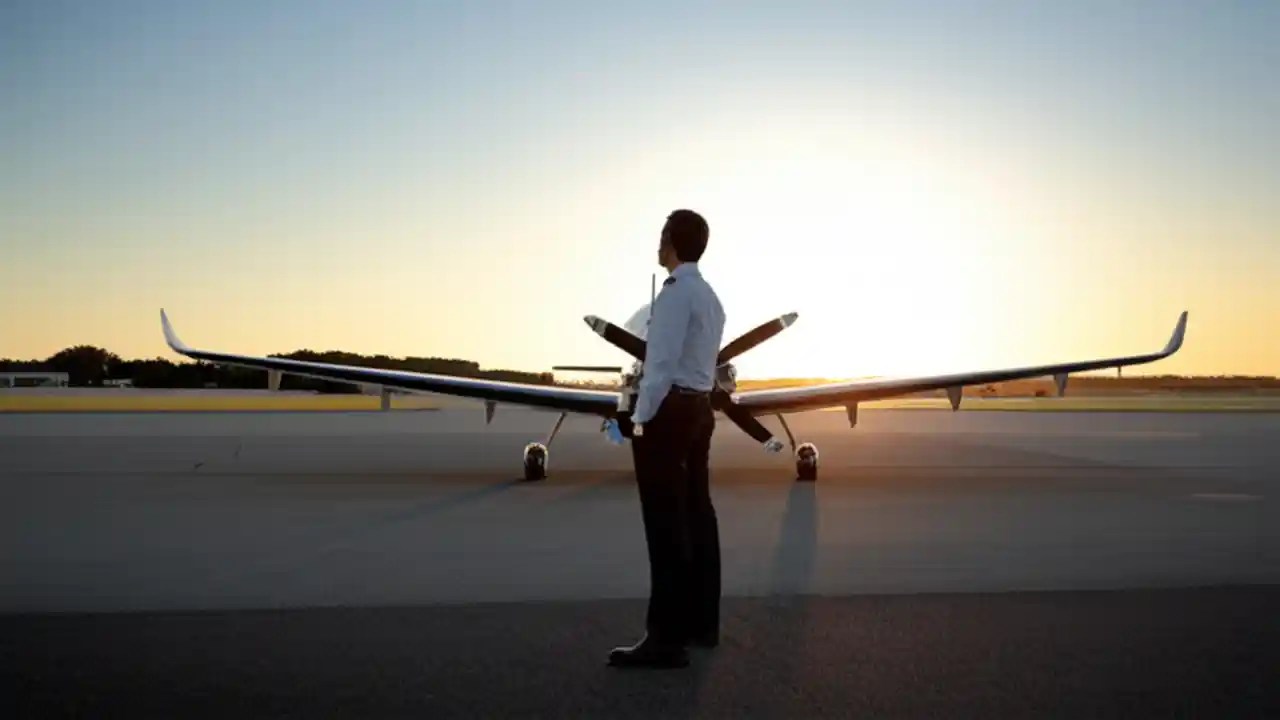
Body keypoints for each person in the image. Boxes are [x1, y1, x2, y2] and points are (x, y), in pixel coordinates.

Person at [610, 209, 726, 669]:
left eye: (661, 238)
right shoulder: (711, 297)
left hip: (670, 414)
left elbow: (657, 369)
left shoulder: (675, 296)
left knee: (664, 526)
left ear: (672, 242)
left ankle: (664, 639)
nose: (657, 246)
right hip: (700, 411)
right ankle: (703, 624)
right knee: (699, 516)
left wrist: (638, 419)